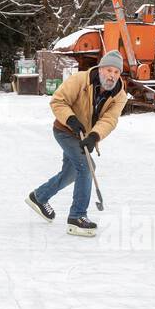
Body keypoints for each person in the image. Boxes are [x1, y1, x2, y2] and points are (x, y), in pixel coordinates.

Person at [26, 49, 128, 236]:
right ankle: (77, 217)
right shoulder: (81, 80)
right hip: (65, 130)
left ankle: (39, 197)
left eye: (116, 72)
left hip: (85, 136)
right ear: (101, 68)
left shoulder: (119, 95)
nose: (112, 76)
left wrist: (94, 136)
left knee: (71, 172)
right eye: (109, 70)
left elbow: (110, 120)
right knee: (87, 167)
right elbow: (58, 101)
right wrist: (71, 119)